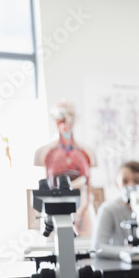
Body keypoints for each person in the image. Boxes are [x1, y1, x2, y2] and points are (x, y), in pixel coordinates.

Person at [34, 101, 96, 236]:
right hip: (53, 203)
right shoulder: (44, 152)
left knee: (86, 243)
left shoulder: (86, 151)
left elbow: (85, 181)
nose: (67, 119)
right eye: (62, 115)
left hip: (81, 204)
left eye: (71, 115)